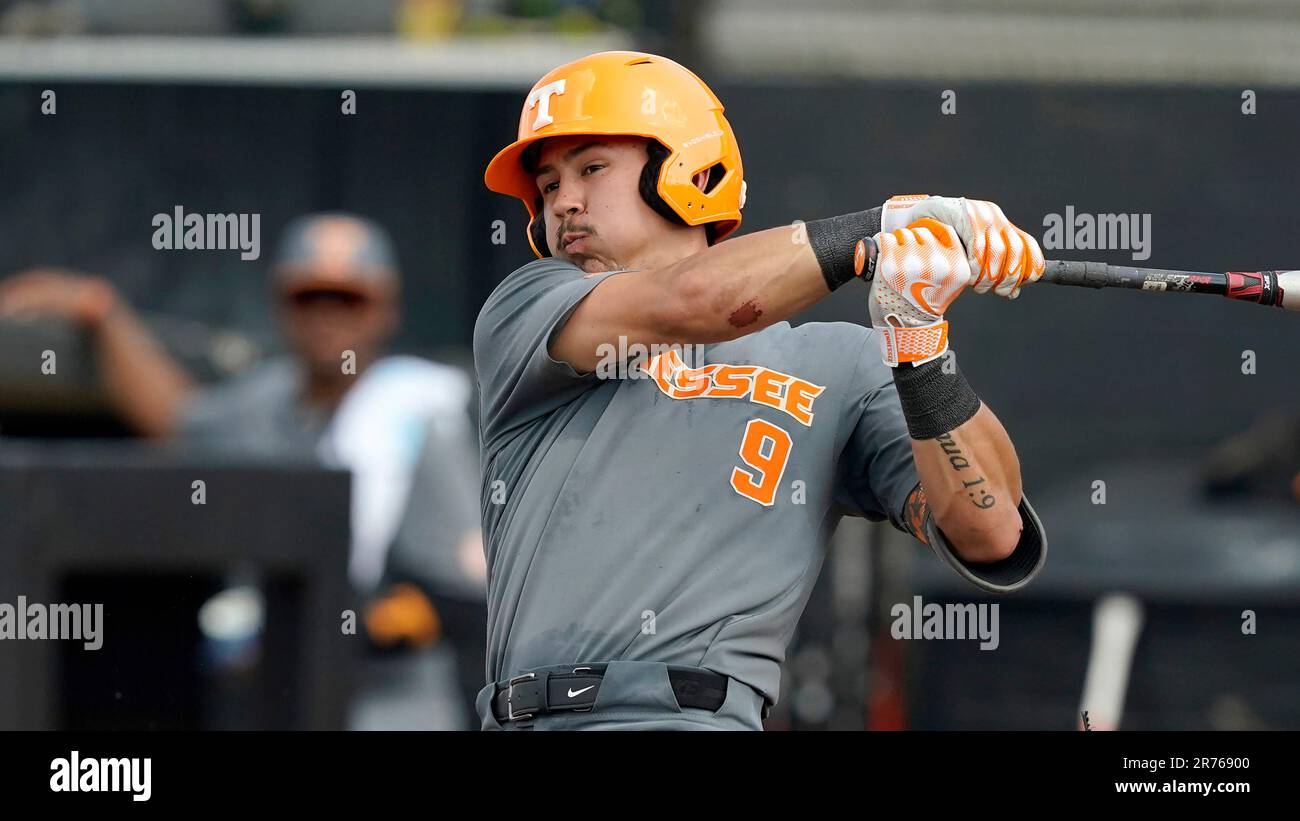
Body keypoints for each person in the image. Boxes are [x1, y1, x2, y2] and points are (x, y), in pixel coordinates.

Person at [473, 51, 1049, 730]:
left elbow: (990, 530)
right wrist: (879, 230)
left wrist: (919, 342)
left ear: (691, 172)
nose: (563, 201)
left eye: (592, 167)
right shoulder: (529, 308)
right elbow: (697, 298)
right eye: (546, 186)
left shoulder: (840, 362)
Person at [0, 213, 487, 728]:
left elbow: (470, 586)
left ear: (385, 308)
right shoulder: (267, 403)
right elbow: (179, 421)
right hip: (272, 694)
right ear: (282, 303)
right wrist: (103, 314)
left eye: (348, 298)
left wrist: (363, 618)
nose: (328, 315)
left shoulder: (417, 413)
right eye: (310, 297)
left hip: (384, 703)